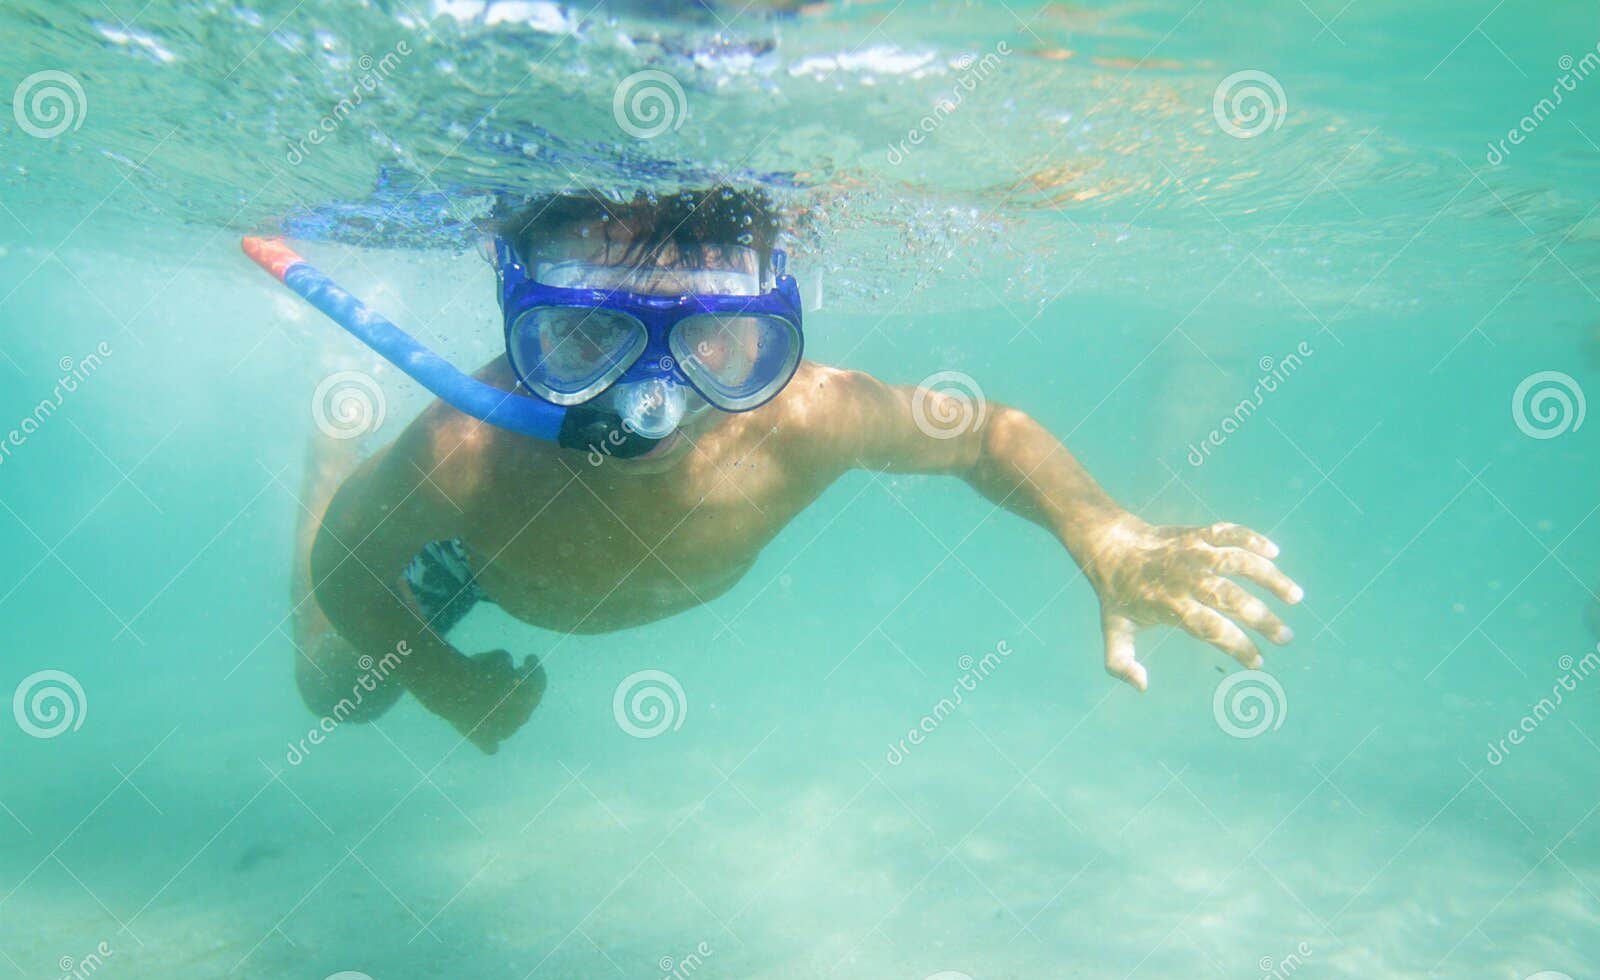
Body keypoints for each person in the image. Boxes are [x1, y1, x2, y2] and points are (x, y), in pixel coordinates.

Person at [294, 187, 1302, 753]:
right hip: (484, 562)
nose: (653, 401)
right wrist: (437, 681)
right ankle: (330, 445)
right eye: (592, 337)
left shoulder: (812, 416)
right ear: (530, 339)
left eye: (715, 342)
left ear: (770, 339)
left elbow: (988, 433)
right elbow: (350, 560)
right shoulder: (462, 461)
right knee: (334, 687)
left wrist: (1104, 531)